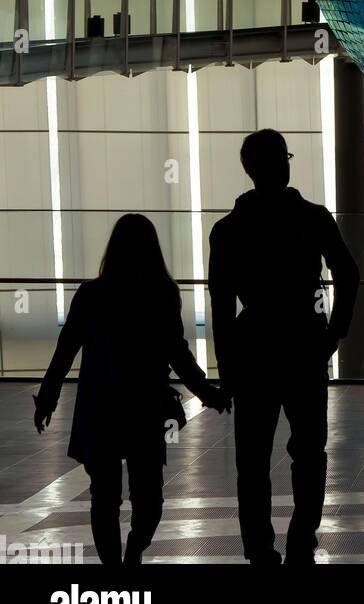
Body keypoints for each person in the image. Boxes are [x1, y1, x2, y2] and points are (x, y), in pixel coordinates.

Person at [33, 213, 225, 567]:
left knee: (104, 497)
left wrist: (48, 397)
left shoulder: (91, 294)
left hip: (100, 407)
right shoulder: (162, 295)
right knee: (149, 498)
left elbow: (66, 349)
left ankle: (113, 568)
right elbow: (177, 353)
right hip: (146, 408)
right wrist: (207, 392)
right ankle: (134, 552)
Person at [208, 128, 359, 567]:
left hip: (253, 351)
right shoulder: (313, 218)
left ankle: (259, 549)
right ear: (284, 163)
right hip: (304, 348)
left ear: (250, 170)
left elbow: (220, 306)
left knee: (252, 462)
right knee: (309, 453)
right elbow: (348, 274)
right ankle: (301, 541)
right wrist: (334, 333)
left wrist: (227, 369)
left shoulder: (229, 230)